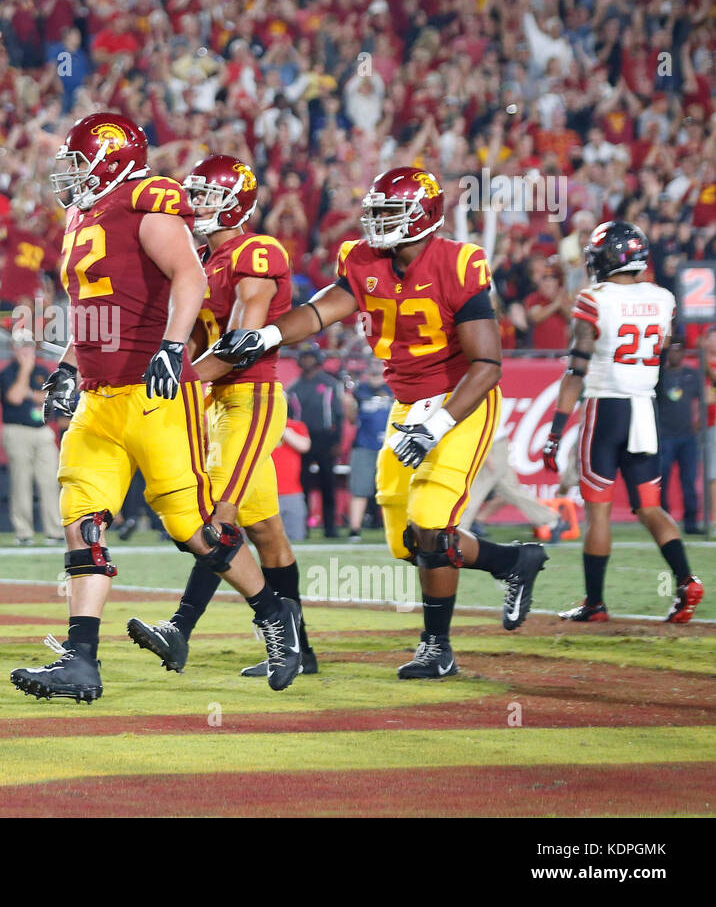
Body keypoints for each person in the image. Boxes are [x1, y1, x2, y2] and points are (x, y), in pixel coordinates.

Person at [212, 166, 548, 679]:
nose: (379, 221)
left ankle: (437, 648)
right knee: (409, 543)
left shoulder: (460, 263)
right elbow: (323, 310)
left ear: (424, 216)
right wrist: (268, 337)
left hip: (461, 403)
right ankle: (510, 562)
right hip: (405, 406)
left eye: (391, 211)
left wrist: (436, 425)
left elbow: (487, 365)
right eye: (377, 211)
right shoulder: (364, 259)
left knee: (433, 523)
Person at [11, 113, 303, 703]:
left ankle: (275, 618)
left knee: (194, 529)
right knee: (82, 520)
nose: (69, 174)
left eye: (80, 160)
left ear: (113, 160)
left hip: (155, 395)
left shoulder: (145, 198)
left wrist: (173, 348)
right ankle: (81, 660)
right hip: (99, 398)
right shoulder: (79, 217)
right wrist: (68, 366)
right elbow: (93, 307)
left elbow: (188, 275)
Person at [127, 155, 318, 678]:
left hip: (250, 400)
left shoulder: (256, 250)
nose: (195, 206)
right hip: (216, 406)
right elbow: (186, 345)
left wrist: (184, 376)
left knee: (218, 518)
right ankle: (303, 650)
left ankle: (180, 629)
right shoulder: (197, 261)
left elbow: (240, 344)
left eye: (207, 196)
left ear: (237, 203)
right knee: (267, 533)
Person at [543, 222, 704, 623]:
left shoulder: (594, 298)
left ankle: (595, 602)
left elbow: (576, 370)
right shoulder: (662, 297)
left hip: (606, 409)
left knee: (598, 512)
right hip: (643, 411)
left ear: (606, 260)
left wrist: (555, 433)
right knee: (650, 508)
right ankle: (686, 581)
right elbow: (668, 347)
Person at [0, 329, 61, 546]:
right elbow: (14, 397)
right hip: (16, 431)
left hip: (41, 430)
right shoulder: (7, 373)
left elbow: (50, 398)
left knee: (49, 480)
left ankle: (54, 530)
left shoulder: (44, 370)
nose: (24, 350)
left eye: (28, 346)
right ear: (12, 349)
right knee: (21, 482)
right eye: (20, 346)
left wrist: (29, 393)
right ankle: (24, 532)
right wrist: (25, 372)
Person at [288, 343, 344, 537]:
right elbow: (289, 418)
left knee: (328, 484)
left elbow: (338, 415)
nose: (307, 360)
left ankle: (331, 529)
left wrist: (338, 441)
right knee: (301, 484)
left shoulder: (329, 384)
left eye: (310, 357)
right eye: (304, 357)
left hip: (325, 438)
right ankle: (302, 529)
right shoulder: (294, 387)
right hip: (301, 440)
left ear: (318, 359)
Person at [655, 341, 703, 534]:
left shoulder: (692, 375)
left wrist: (698, 420)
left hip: (688, 438)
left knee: (689, 481)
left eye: (678, 351)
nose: (675, 355)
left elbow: (702, 400)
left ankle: (691, 522)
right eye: (672, 351)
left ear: (684, 353)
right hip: (665, 436)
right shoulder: (660, 377)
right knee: (663, 480)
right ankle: (663, 520)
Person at [347, 361, 393, 540]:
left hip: (392, 445)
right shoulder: (359, 391)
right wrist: (349, 405)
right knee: (359, 489)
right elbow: (352, 419)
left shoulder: (394, 388)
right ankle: (354, 530)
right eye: (372, 363)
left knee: (395, 490)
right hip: (365, 445)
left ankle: (399, 527)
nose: (375, 367)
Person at [273, 419, 311, 544]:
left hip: (291, 493)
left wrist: (281, 428)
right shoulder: (253, 423)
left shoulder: (295, 425)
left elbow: (304, 446)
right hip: (260, 494)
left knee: (296, 539)